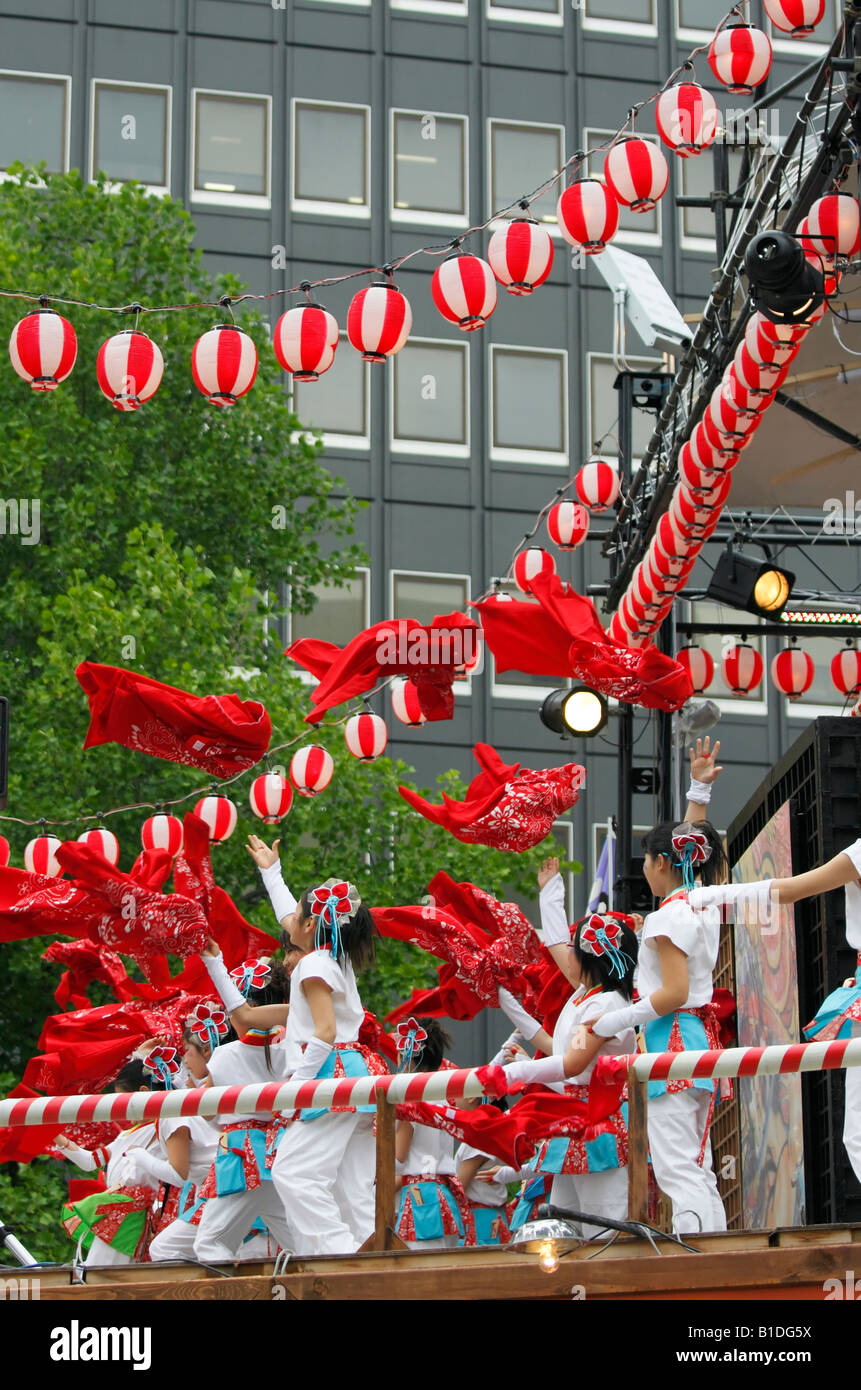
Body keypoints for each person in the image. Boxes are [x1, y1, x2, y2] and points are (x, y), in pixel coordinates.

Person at [497, 909, 638, 1239]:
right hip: (575, 1115)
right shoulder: (584, 996)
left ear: (590, 958)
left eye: (573, 948)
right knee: (563, 1230)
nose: (566, 954)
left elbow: (572, 1063)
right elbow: (558, 1050)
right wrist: (502, 995)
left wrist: (516, 1073)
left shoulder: (605, 1005)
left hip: (600, 1119)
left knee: (602, 1228)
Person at [269, 874, 386, 1256]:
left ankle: (342, 1255)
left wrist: (296, 1090)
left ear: (309, 925)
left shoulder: (313, 964)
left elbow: (325, 1032)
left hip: (327, 1076)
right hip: (353, 1077)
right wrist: (272, 873)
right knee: (351, 1186)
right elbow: (291, 917)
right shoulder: (335, 959)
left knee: (293, 1173)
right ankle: (371, 1259)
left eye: (297, 916)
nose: (288, 922)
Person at [192, 958, 299, 1264]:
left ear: (247, 1006)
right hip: (282, 1153)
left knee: (209, 1243)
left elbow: (208, 1114)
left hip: (240, 1158)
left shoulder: (224, 1055)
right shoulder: (291, 1050)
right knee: (302, 1244)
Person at [59, 1055, 184, 1265]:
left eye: (123, 1101)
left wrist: (141, 1059)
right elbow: (90, 1161)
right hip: (116, 1207)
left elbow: (174, 1091)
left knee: (101, 1272)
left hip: (131, 1212)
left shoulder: (164, 1124)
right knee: (101, 1271)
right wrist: (57, 1137)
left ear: (143, 1093)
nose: (121, 1108)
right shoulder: (128, 1134)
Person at [394, 1019, 465, 1250]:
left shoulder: (412, 1101)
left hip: (418, 1200)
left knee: (417, 1268)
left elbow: (397, 1158)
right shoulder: (442, 1098)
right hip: (444, 1194)